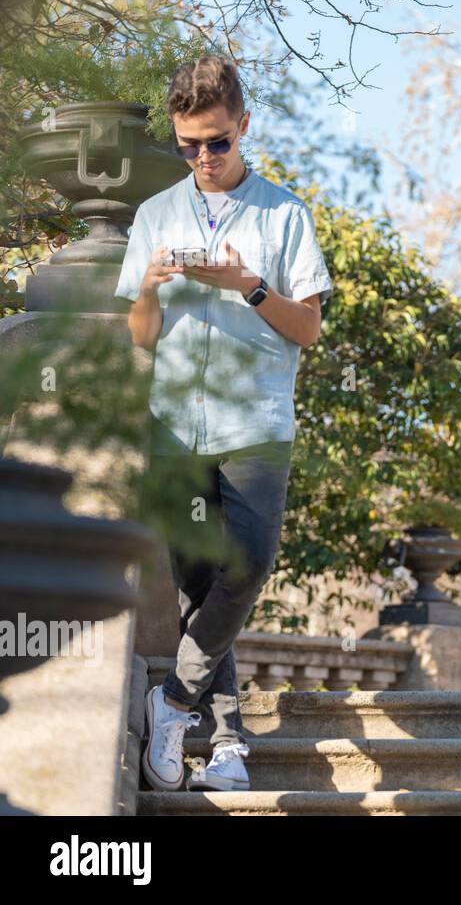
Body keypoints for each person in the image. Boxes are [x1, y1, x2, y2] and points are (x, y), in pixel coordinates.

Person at [116, 55, 333, 790]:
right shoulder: (155, 217)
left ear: (243, 126)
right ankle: (229, 745)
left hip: (256, 422)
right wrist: (147, 288)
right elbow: (140, 338)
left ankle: (172, 702)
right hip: (175, 423)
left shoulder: (285, 214)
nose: (203, 158)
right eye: (188, 146)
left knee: (247, 565)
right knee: (196, 586)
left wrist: (249, 285)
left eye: (217, 142)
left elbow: (306, 329)